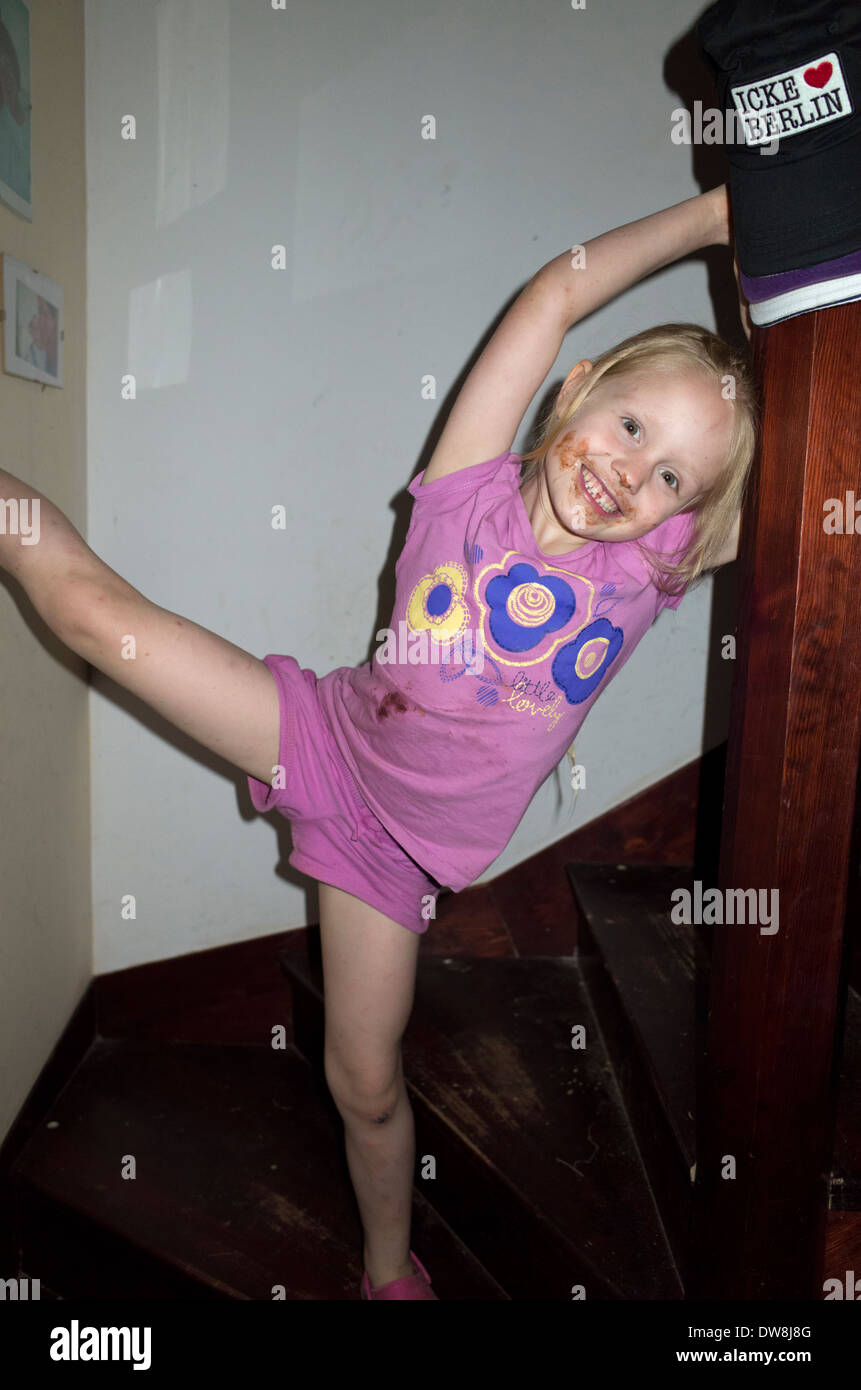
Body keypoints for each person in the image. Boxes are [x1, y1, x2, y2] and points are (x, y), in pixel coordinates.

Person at [0, 184, 756, 1301]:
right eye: (633, 426)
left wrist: (793, 286)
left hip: (388, 857)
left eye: (669, 478)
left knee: (365, 1082)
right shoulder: (466, 487)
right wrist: (714, 222)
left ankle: (383, 1267)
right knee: (96, 619)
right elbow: (560, 291)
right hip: (319, 734)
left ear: (683, 516)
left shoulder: (644, 571)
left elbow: (801, 458)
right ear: (581, 386)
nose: (628, 474)